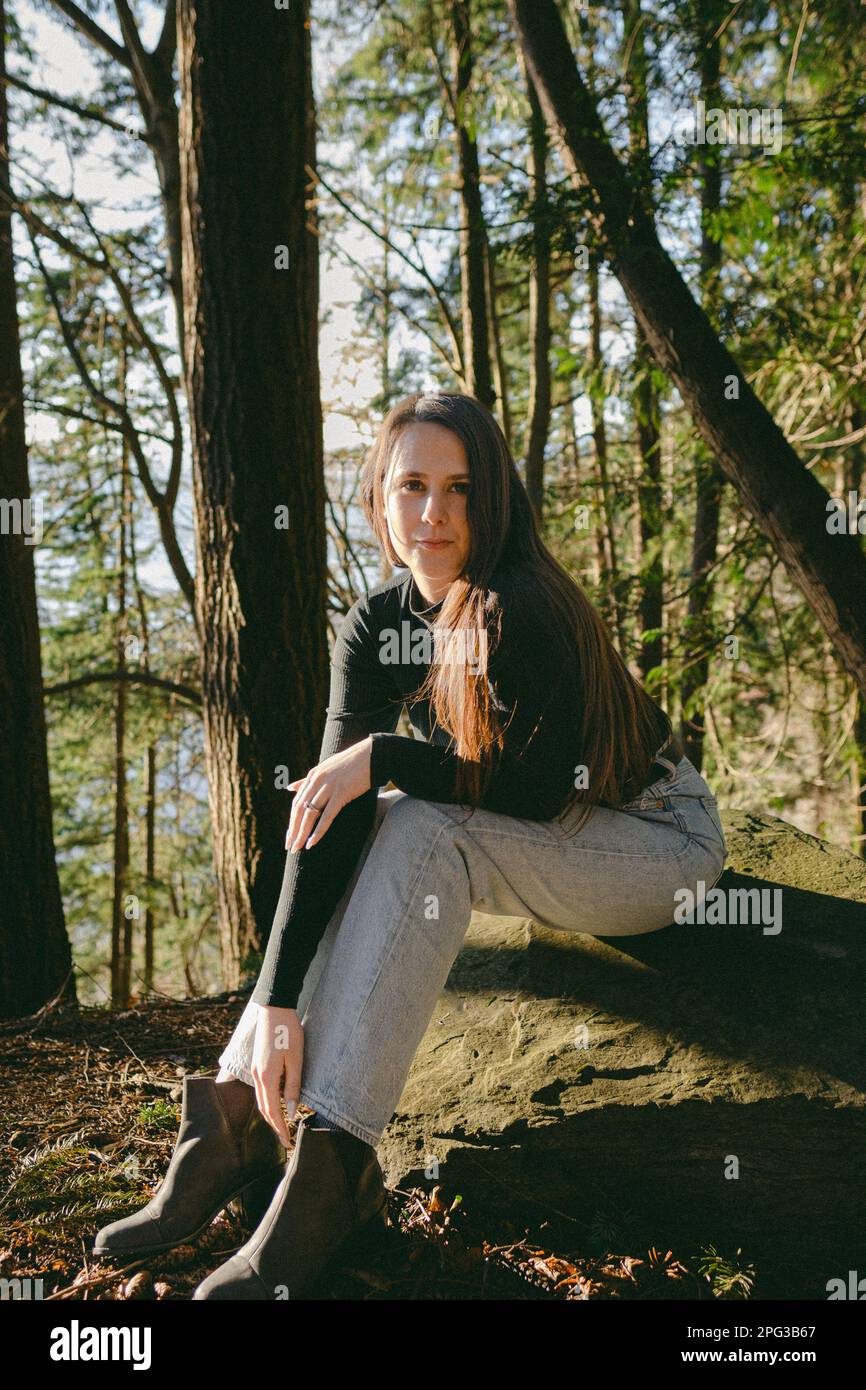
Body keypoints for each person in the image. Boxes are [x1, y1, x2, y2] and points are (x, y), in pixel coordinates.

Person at [93, 391, 727, 1299]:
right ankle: (233, 1119)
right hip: (554, 833)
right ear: (379, 499)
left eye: (461, 489)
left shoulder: (523, 607)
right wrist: (274, 1003)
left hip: (659, 839)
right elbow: (326, 814)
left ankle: (333, 1173)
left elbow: (539, 797)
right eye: (413, 486)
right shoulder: (378, 621)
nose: (434, 515)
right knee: (382, 813)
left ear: (493, 500)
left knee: (420, 822)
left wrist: (384, 754)